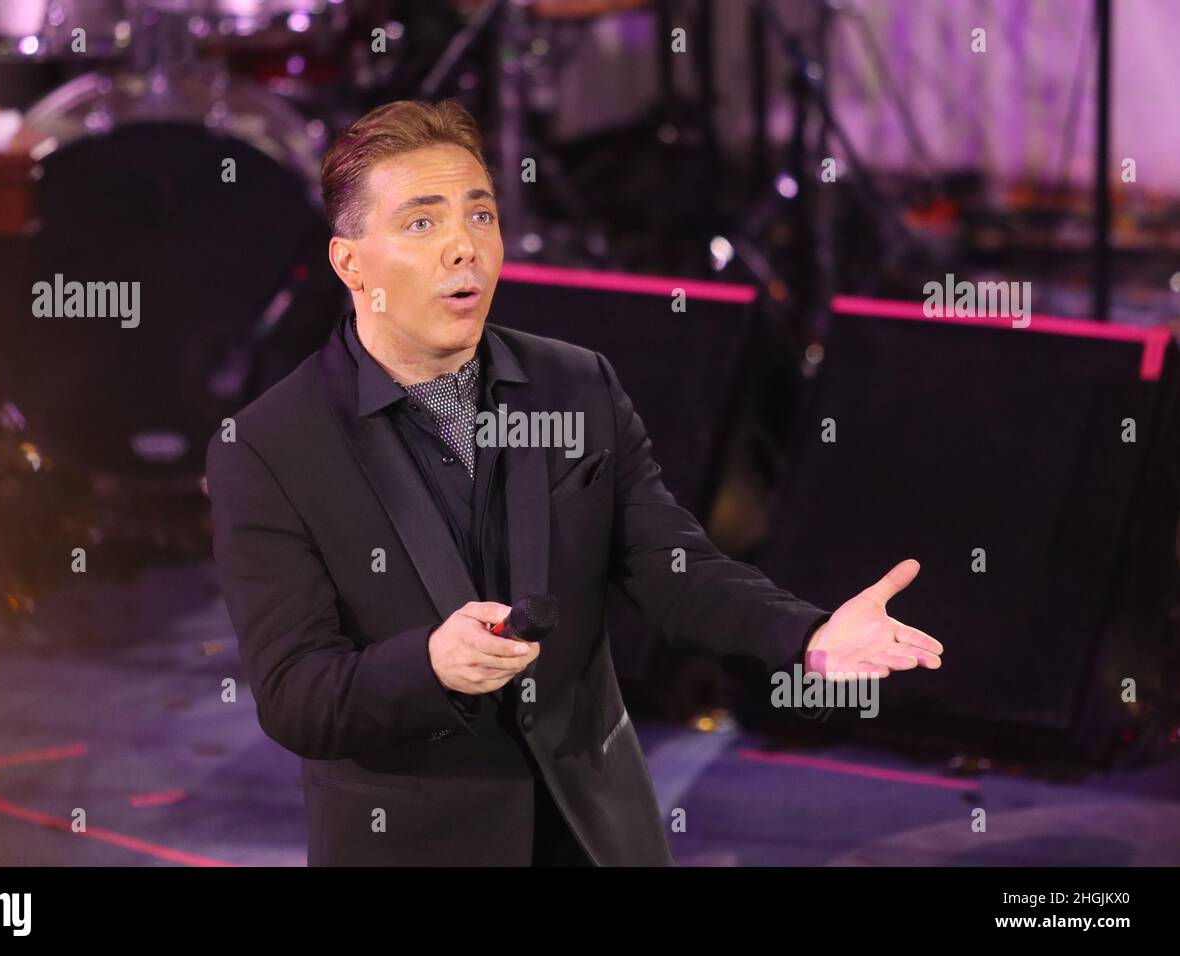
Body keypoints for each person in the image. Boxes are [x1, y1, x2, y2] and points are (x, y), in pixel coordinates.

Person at [205, 99, 943, 866]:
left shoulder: (574, 383)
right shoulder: (268, 449)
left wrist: (808, 635)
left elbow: (673, 569)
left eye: (480, 215)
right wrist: (428, 665)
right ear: (350, 263)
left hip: (595, 834)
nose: (463, 246)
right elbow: (297, 696)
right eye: (422, 223)